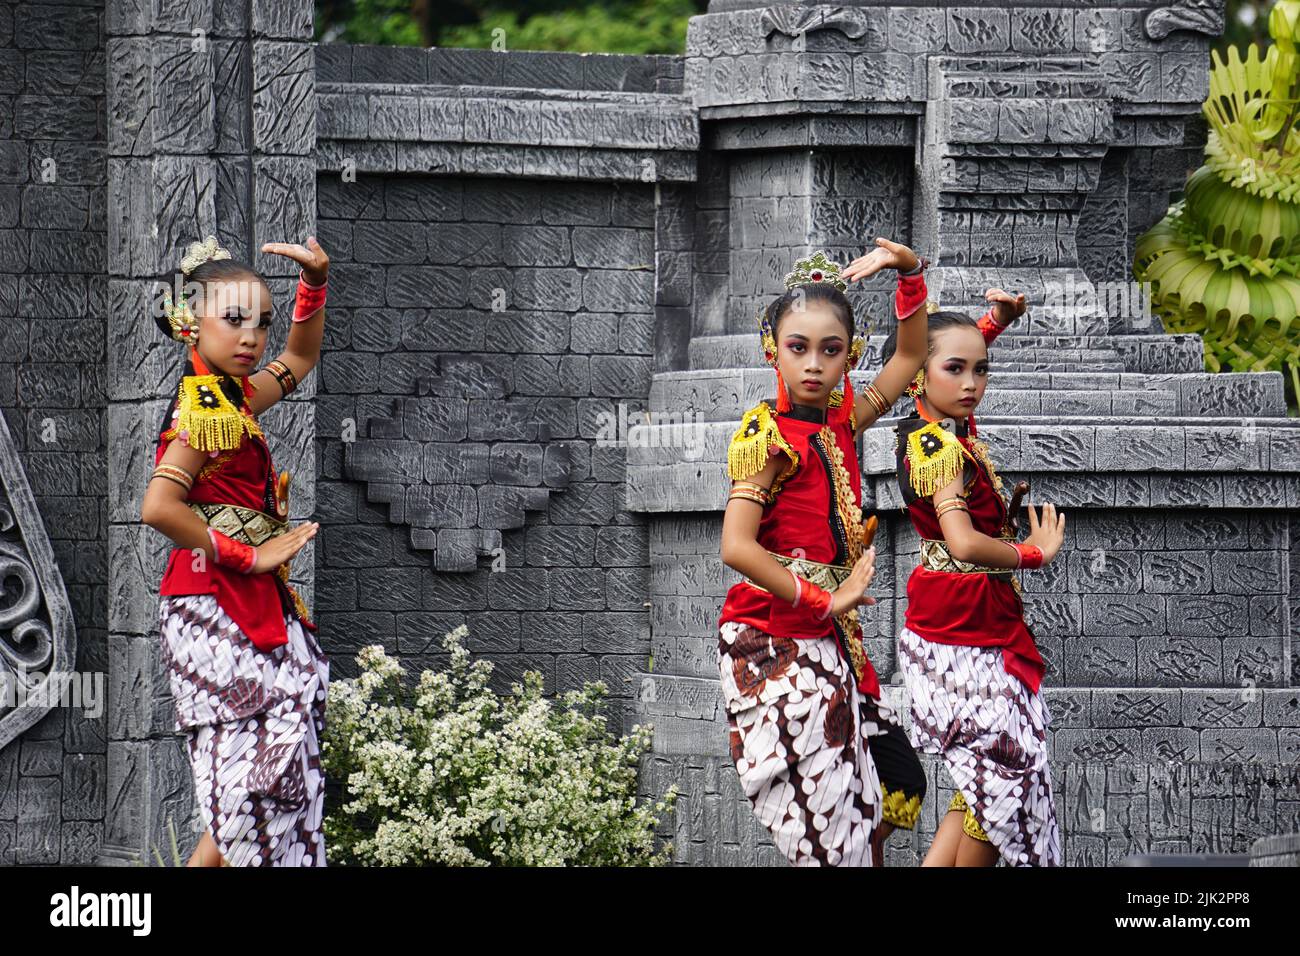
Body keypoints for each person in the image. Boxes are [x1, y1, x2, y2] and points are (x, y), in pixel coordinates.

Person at [717, 241, 931, 866]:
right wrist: (824, 598)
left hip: (831, 639)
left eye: (830, 350)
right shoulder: (767, 436)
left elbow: (911, 355)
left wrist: (910, 274)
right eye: (798, 347)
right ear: (772, 350)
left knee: (895, 784)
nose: (814, 364)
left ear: (851, 355)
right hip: (772, 640)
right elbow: (736, 546)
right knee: (832, 832)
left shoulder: (840, 425)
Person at [139, 234, 330, 866]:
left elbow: (299, 356)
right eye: (235, 320)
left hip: (240, 596)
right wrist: (250, 556)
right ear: (192, 324)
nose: (252, 338)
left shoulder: (234, 396)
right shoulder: (204, 409)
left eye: (262, 323)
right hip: (213, 600)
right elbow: (158, 507)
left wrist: (314, 285)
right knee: (249, 778)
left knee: (256, 777)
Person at [884, 293, 1066, 866]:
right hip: (960, 628)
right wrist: (1032, 553)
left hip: (973, 614)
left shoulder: (945, 425)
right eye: (956, 369)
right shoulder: (934, 445)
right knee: (1006, 779)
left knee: (985, 786)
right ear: (918, 375)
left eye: (981, 369)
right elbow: (961, 542)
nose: (971, 383)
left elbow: (950, 349)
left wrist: (996, 323)